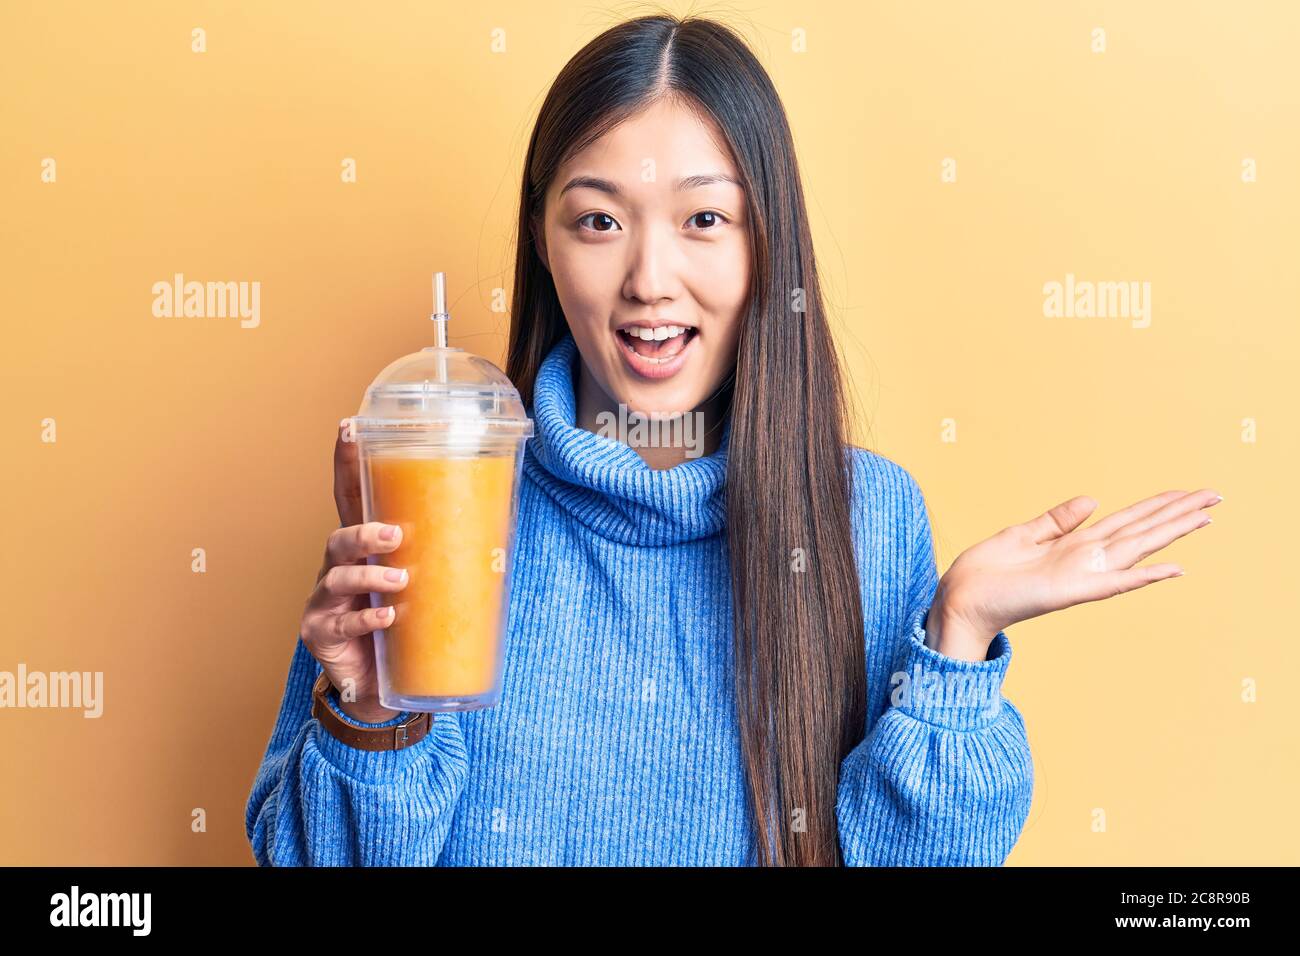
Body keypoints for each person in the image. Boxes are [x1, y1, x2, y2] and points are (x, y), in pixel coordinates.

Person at [245, 13, 1219, 866]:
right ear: (541, 241)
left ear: (766, 244)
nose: (649, 277)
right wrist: (376, 715)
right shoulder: (439, 500)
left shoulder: (868, 520)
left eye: (704, 218)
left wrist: (956, 640)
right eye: (596, 220)